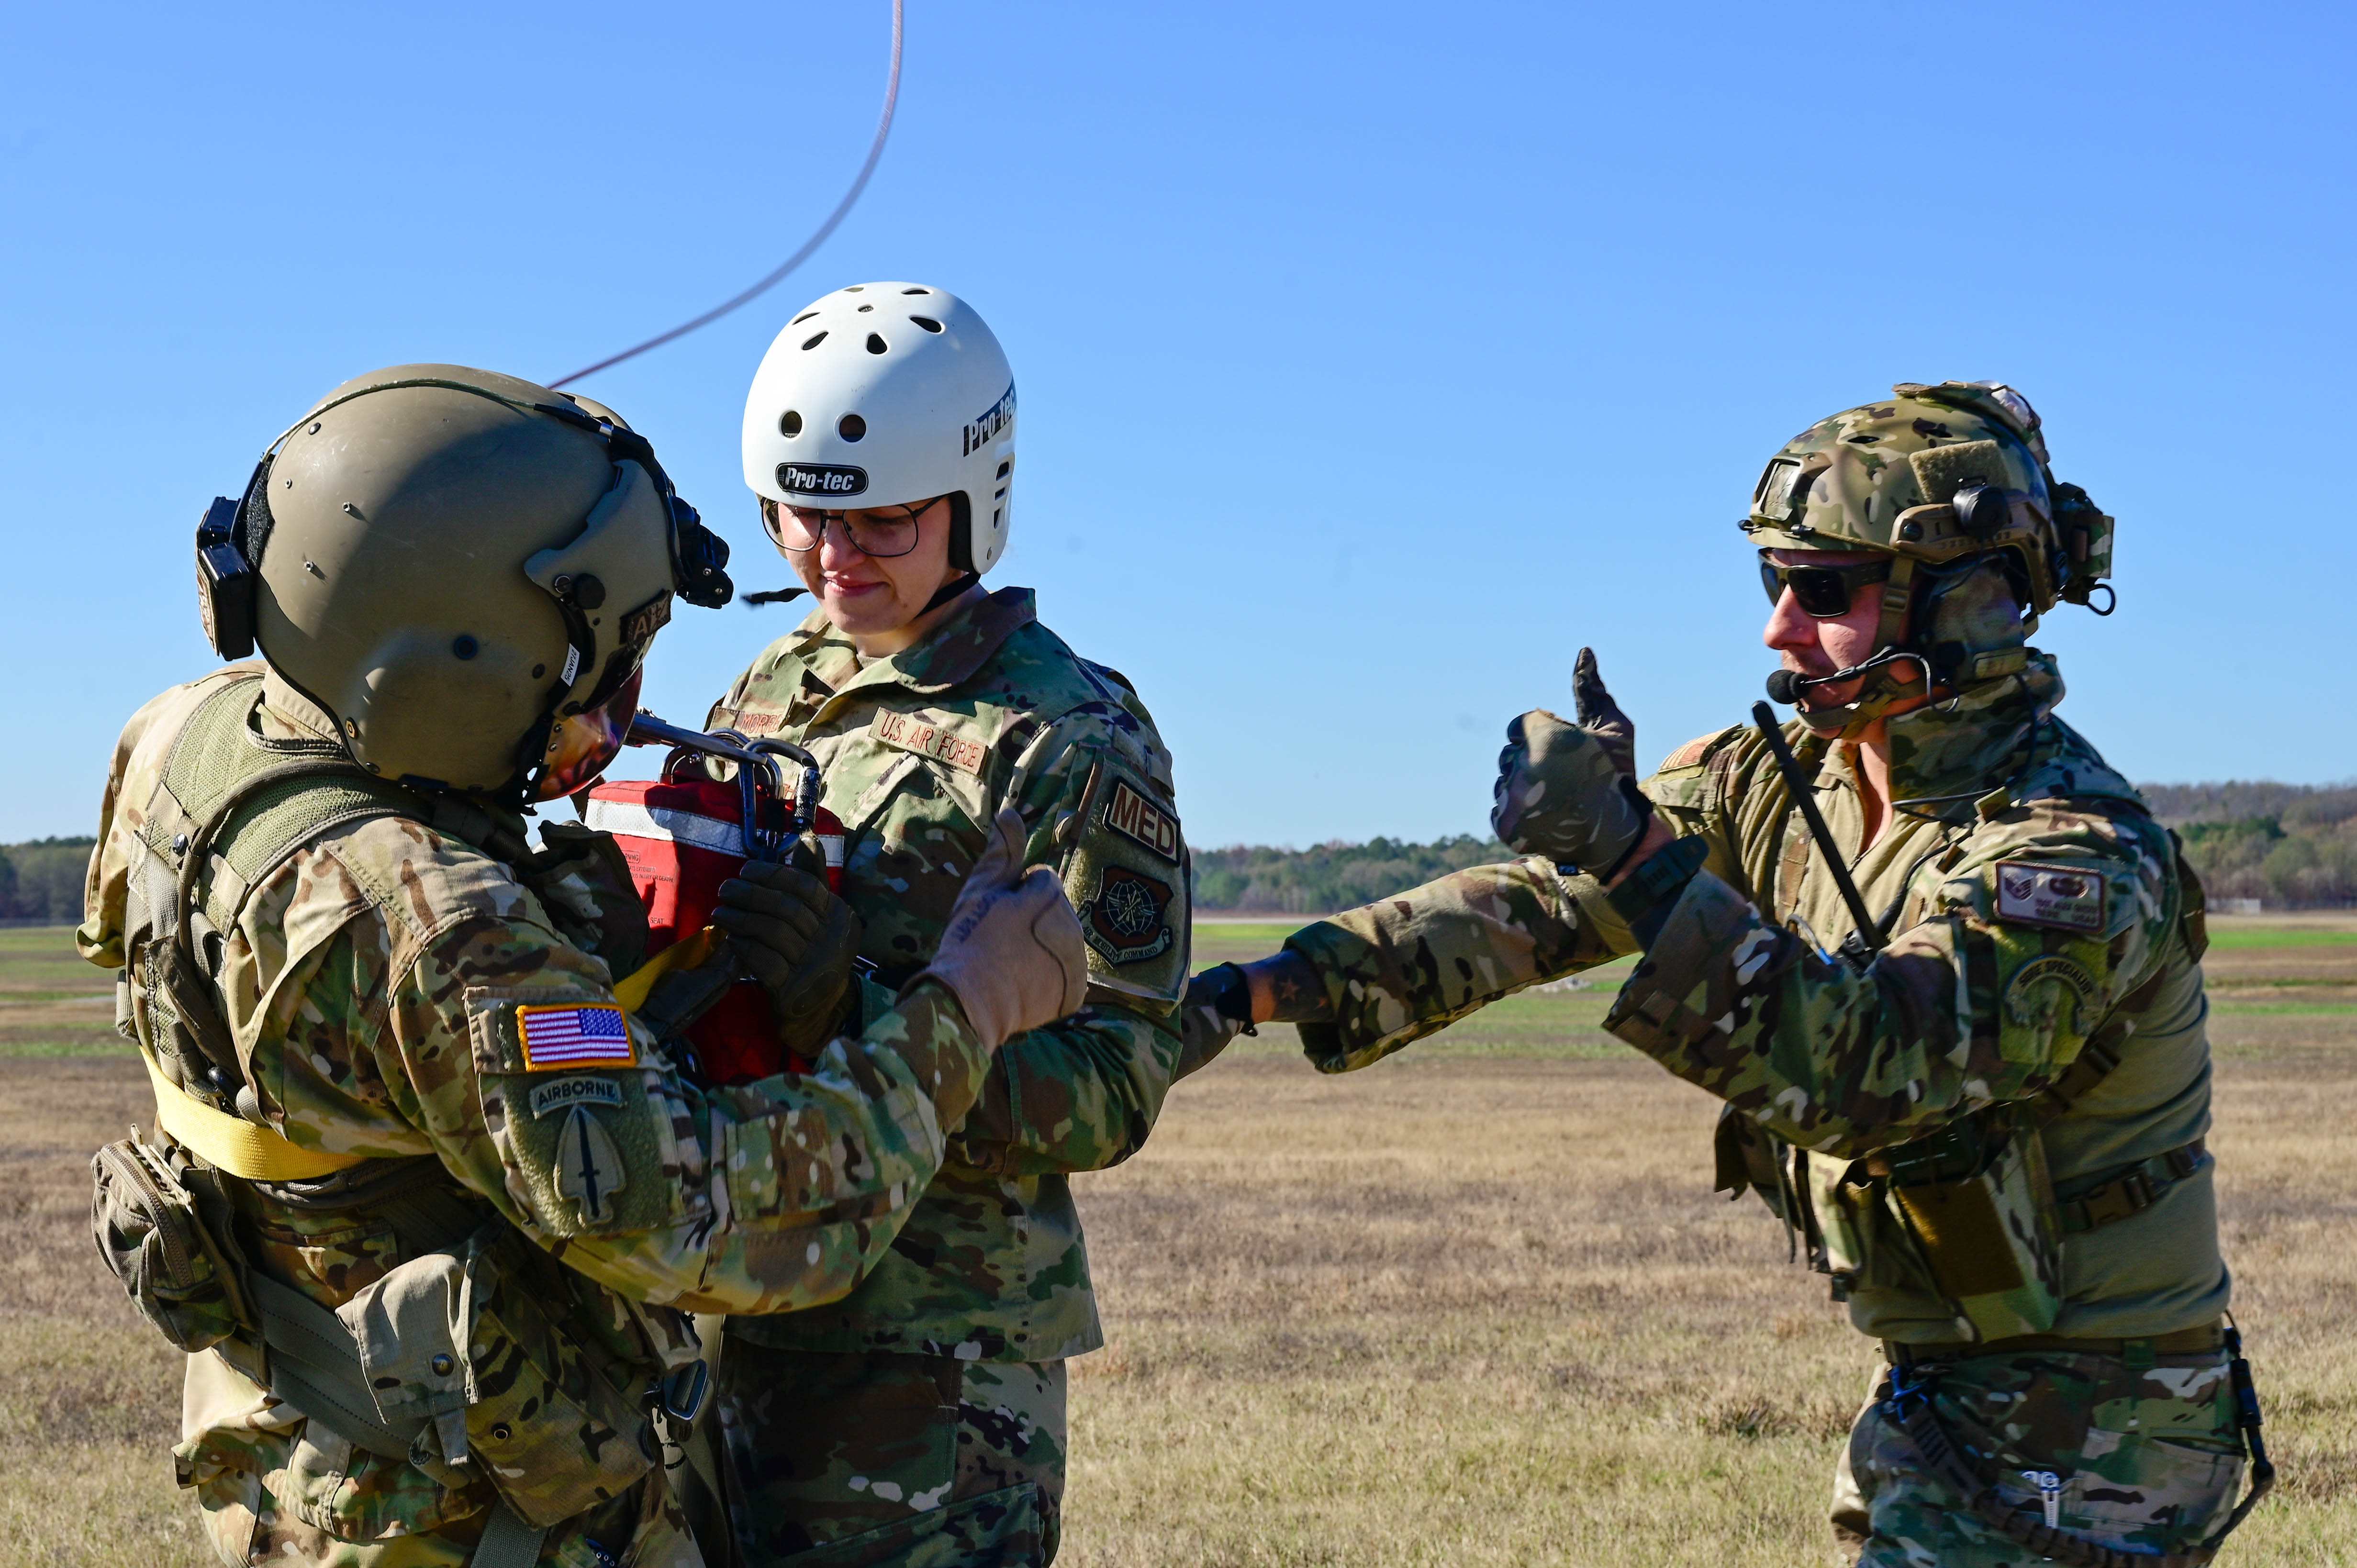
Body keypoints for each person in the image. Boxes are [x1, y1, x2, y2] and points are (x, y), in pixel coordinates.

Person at [1184, 383, 2270, 1566]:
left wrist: (1633, 853)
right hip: (1942, 1390)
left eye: (1823, 588)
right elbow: (1550, 906)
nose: (1779, 629)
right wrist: (1250, 992)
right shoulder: (1791, 775)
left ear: (1964, 594)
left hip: (2098, 1422)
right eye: (1775, 583)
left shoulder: (2069, 855)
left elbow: (1881, 1069)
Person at [80, 365, 1088, 1568]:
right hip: (457, 1518)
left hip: (289, 1456)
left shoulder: (188, 738)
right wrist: (970, 999)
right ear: (466, 666)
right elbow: (726, 1217)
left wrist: (555, 922)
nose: (622, 707)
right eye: (596, 668)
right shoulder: (441, 934)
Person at [704, 282, 1192, 1566]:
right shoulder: (767, 685)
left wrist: (853, 1010)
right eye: (798, 511)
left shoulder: (1069, 735)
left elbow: (1112, 1085)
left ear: (976, 497)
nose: (831, 554)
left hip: (932, 1372)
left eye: (882, 519)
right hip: (733, 1297)